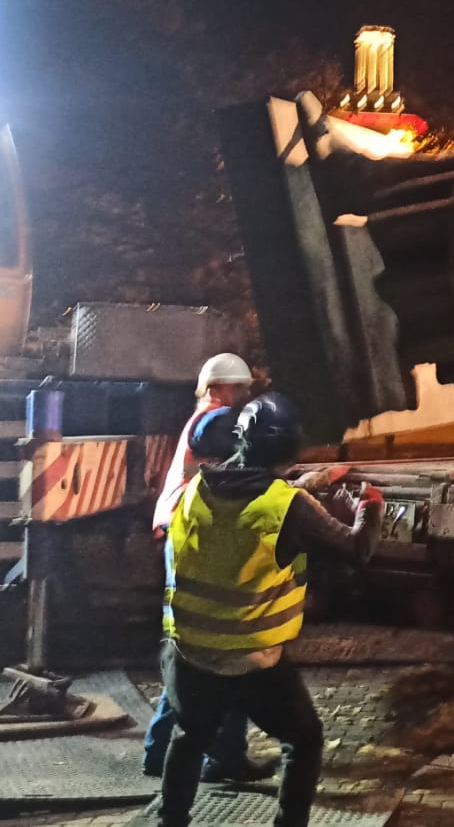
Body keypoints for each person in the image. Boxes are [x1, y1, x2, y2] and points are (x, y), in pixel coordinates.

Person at [157, 392, 383, 827]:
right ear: (291, 450)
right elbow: (358, 548)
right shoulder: (289, 507)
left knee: (189, 738)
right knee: (305, 738)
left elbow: (247, 498)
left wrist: (303, 487)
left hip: (188, 655)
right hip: (252, 661)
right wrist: (370, 507)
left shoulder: (198, 487)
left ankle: (170, 821)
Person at [142, 352, 266, 781]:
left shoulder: (206, 420)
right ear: (218, 389)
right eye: (240, 388)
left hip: (191, 536)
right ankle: (220, 756)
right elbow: (238, 437)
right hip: (193, 538)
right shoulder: (213, 420)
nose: (244, 396)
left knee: (198, 649)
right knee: (221, 647)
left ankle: (169, 750)